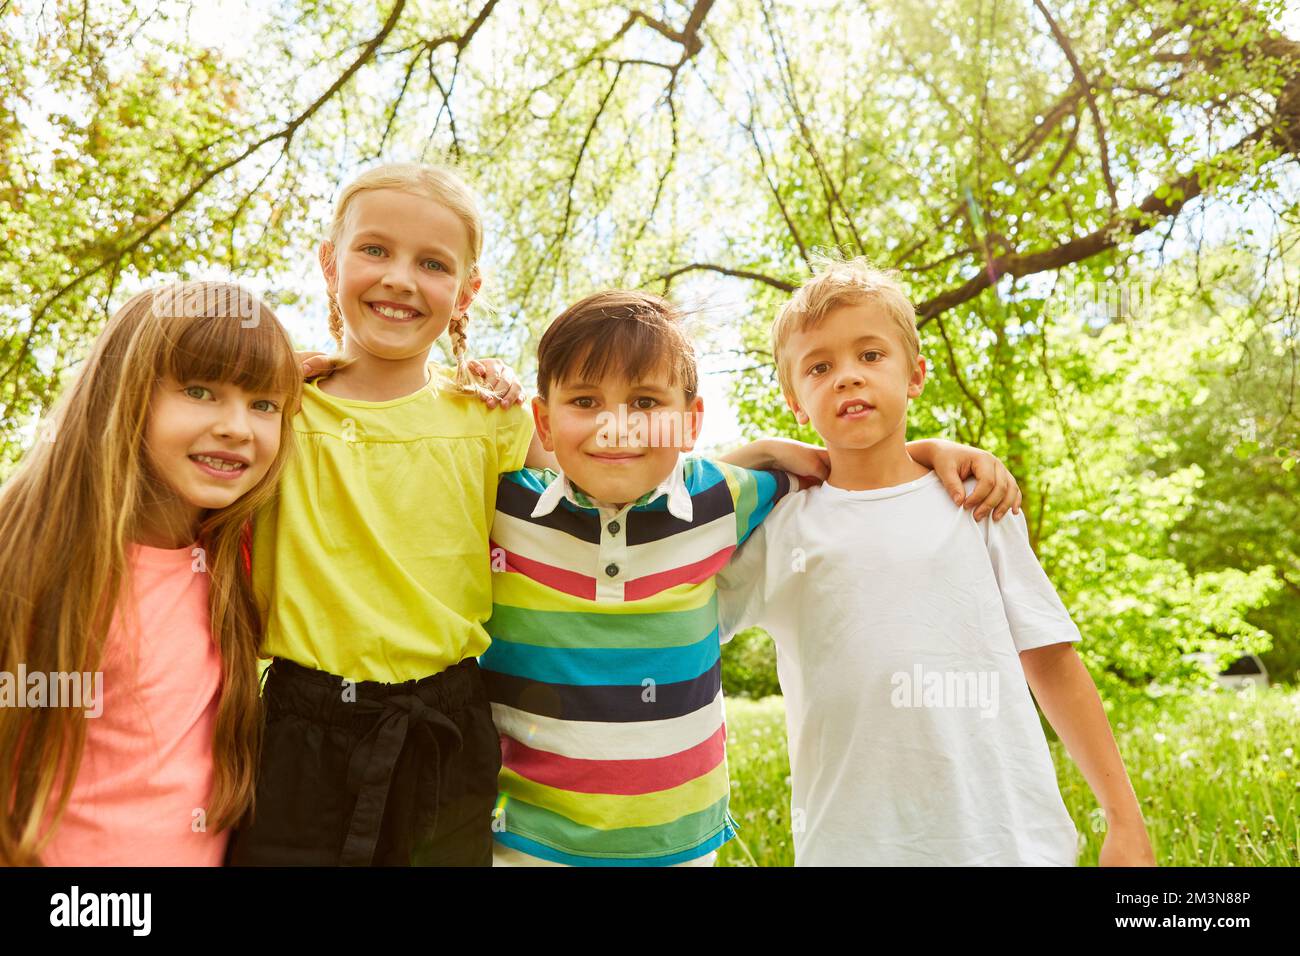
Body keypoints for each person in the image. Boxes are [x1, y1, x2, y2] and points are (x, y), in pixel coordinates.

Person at [482, 289, 1023, 865]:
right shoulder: (500, 509)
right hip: (527, 841)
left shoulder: (720, 501)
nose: (617, 428)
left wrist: (935, 450)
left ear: (690, 424)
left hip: (681, 846)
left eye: (645, 402)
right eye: (586, 401)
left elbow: (846, 467)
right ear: (543, 419)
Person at [717, 257, 1156, 865]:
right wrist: (761, 452)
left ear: (915, 374)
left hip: (1008, 839)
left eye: (871, 356)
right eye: (820, 366)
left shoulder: (976, 502)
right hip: (854, 846)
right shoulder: (780, 529)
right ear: (795, 399)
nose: (847, 377)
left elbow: (1051, 657)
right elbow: (670, 532)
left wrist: (1123, 819)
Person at [226, 162, 537, 867]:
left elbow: (596, 499)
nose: (400, 278)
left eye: (432, 263)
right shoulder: (279, 408)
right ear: (330, 262)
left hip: (444, 727)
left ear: (466, 293)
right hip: (300, 728)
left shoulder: (492, 420)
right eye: (375, 250)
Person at [0, 281, 302, 866]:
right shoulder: (32, 552)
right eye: (199, 391)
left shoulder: (233, 555)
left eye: (264, 404)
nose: (238, 426)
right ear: (126, 393)